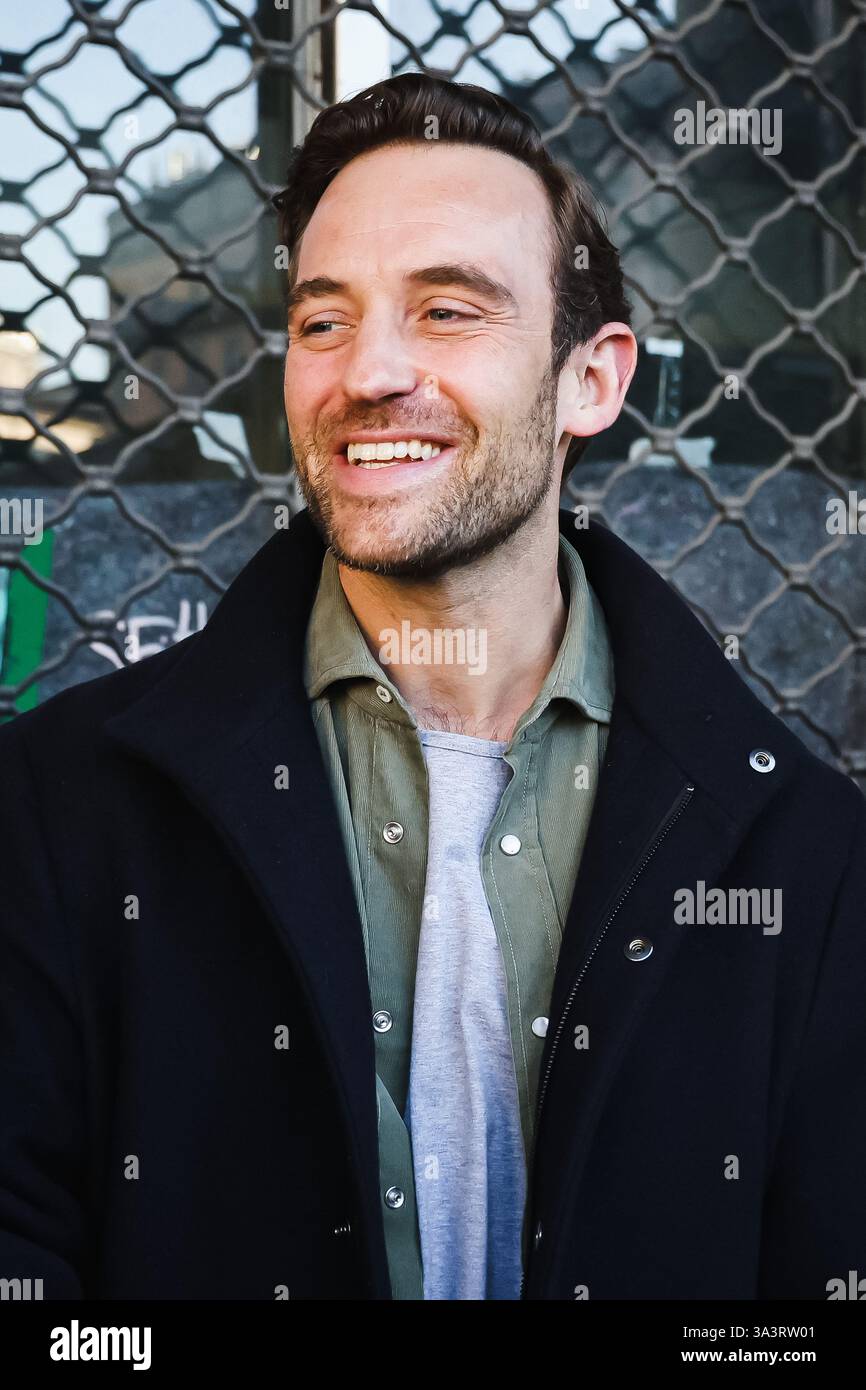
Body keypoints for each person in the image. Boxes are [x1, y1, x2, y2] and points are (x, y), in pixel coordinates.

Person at [1, 73, 864, 1302]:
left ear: (591, 381)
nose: (368, 372)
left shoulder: (802, 851)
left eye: (449, 310)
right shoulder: (59, 806)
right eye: (321, 321)